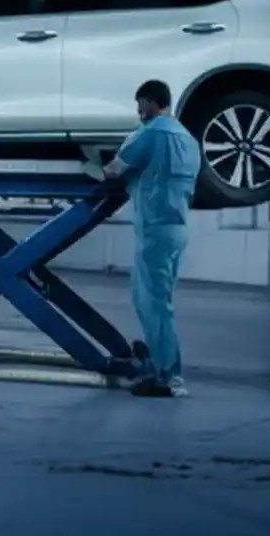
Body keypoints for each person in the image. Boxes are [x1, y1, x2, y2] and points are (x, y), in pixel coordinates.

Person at [103, 80, 201, 398]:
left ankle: (167, 377)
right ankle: (161, 367)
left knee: (153, 303)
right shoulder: (188, 139)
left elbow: (115, 170)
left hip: (155, 230)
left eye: (139, 105)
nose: (137, 112)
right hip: (177, 229)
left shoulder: (149, 133)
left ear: (149, 103)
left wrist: (96, 164)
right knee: (153, 298)